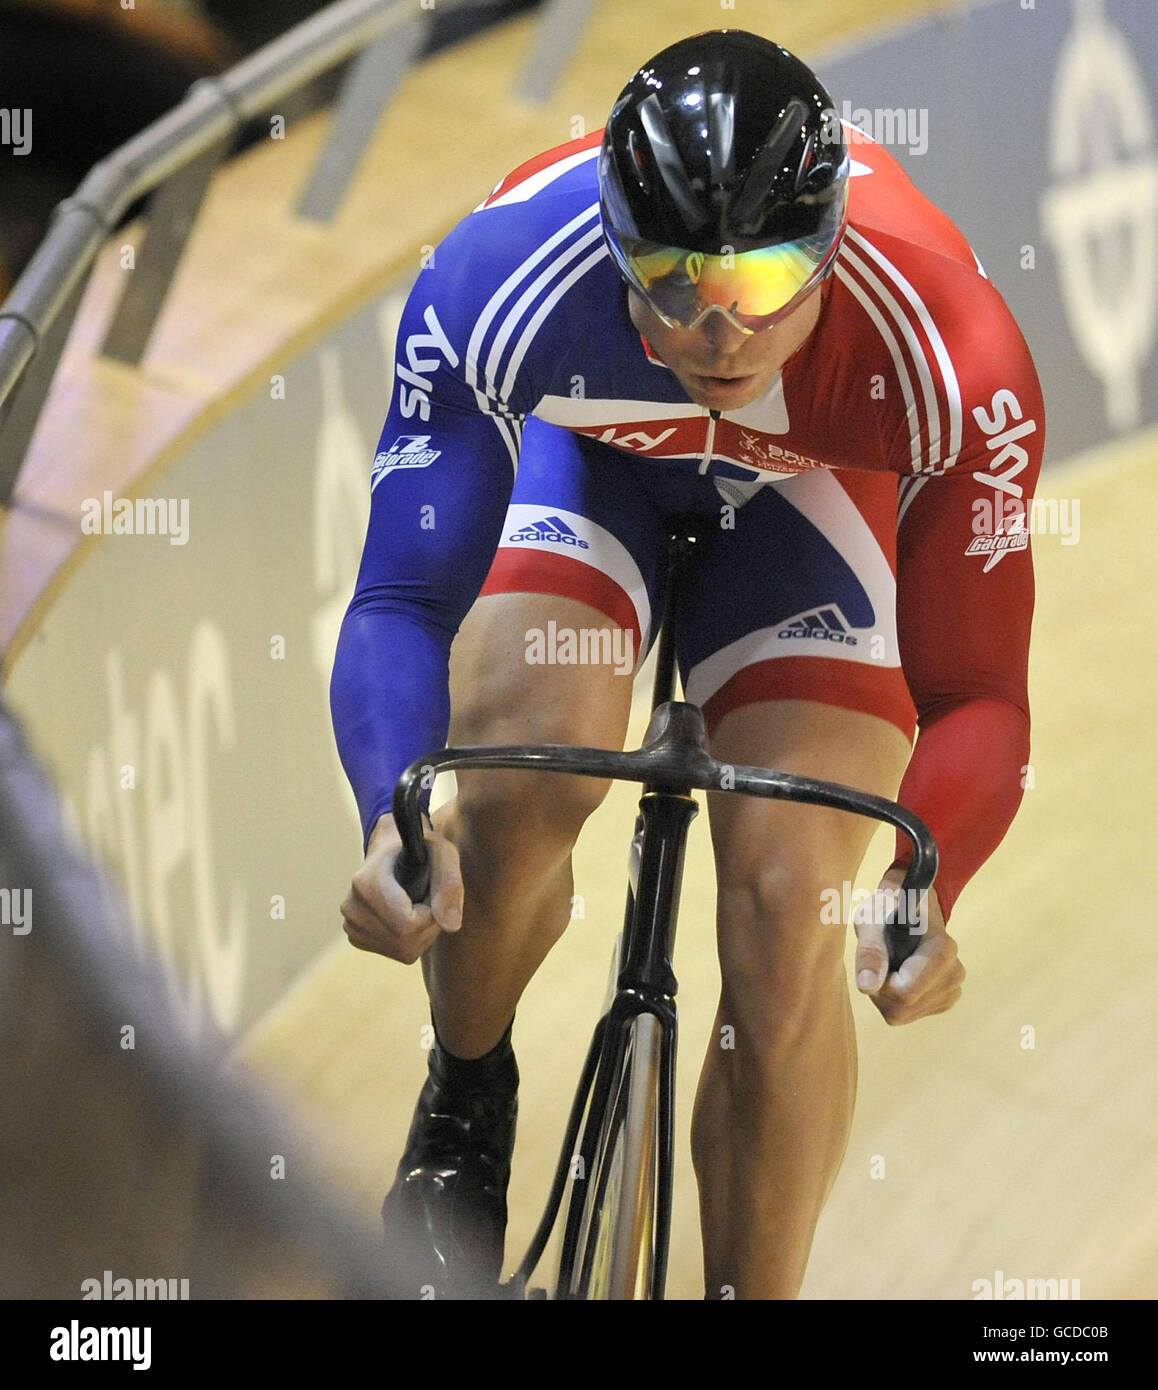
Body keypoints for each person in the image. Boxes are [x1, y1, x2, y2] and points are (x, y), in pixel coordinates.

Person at [331, 30, 1044, 1300]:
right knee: (504, 800)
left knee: (787, 909)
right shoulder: (499, 276)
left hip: (810, 501)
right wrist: (389, 804)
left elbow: (978, 693)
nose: (719, 325)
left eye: (766, 278)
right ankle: (467, 1094)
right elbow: (398, 600)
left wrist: (927, 878)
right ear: (612, 237)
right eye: (666, 277)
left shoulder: (950, 350)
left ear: (828, 246)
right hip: (593, 467)